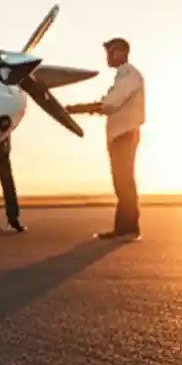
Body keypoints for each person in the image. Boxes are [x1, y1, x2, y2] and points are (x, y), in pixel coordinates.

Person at [65, 37, 145, 240]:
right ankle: (123, 228)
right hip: (119, 135)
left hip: (125, 134)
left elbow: (110, 104)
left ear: (120, 53)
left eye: (109, 53)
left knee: (124, 181)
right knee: (121, 181)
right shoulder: (122, 76)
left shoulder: (130, 76)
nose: (107, 57)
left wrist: (78, 109)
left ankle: (129, 229)